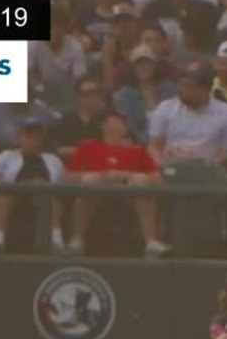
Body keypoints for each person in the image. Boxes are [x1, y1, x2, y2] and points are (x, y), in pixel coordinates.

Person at [65, 110, 169, 257]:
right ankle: (77, 240)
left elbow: (158, 180)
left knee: (141, 181)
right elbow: (68, 178)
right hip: (96, 194)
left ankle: (151, 242)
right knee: (90, 181)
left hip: (129, 195)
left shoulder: (137, 151)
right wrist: (101, 176)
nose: (115, 126)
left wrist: (128, 175)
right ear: (103, 126)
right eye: (112, 121)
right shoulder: (87, 148)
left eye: (120, 123)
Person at [0, 114, 66, 254]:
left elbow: (66, 182)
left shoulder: (52, 160)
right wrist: (12, 186)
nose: (33, 140)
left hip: (45, 198)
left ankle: (56, 240)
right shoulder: (7, 156)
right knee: (2, 196)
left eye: (37, 136)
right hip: (14, 195)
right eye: (29, 136)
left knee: (53, 199)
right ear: (19, 137)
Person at [147, 61, 227, 166]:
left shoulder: (226, 113)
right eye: (180, 83)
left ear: (205, 88)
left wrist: (207, 166)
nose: (181, 89)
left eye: (187, 85)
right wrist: (161, 164)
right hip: (170, 169)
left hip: (207, 172)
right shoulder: (165, 108)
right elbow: (154, 146)